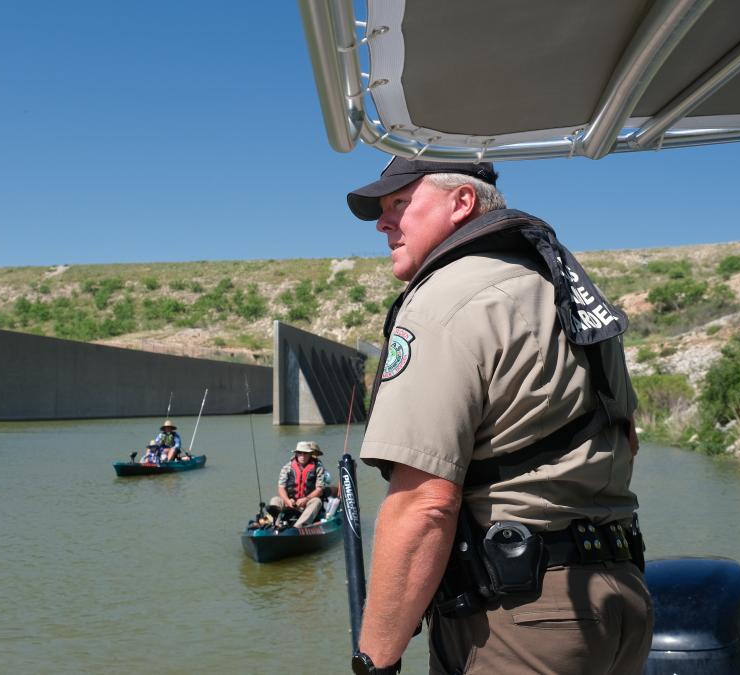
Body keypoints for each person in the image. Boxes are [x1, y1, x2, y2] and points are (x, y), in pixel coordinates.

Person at [345, 158, 651, 675]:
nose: (383, 222)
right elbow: (628, 439)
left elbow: (425, 506)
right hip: (621, 600)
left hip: (517, 618)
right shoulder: (568, 293)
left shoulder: (445, 300)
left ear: (461, 203)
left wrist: (375, 661)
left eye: (399, 204)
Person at [268, 441, 327, 528]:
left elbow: (320, 489)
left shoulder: (318, 468)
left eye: (305, 453)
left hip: (307, 502)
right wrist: (287, 500)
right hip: (290, 502)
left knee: (317, 502)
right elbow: (281, 488)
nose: (302, 456)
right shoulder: (287, 467)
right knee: (275, 500)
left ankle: (298, 527)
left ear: (310, 454)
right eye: (300, 453)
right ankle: (275, 525)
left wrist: (306, 499)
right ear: (296, 453)